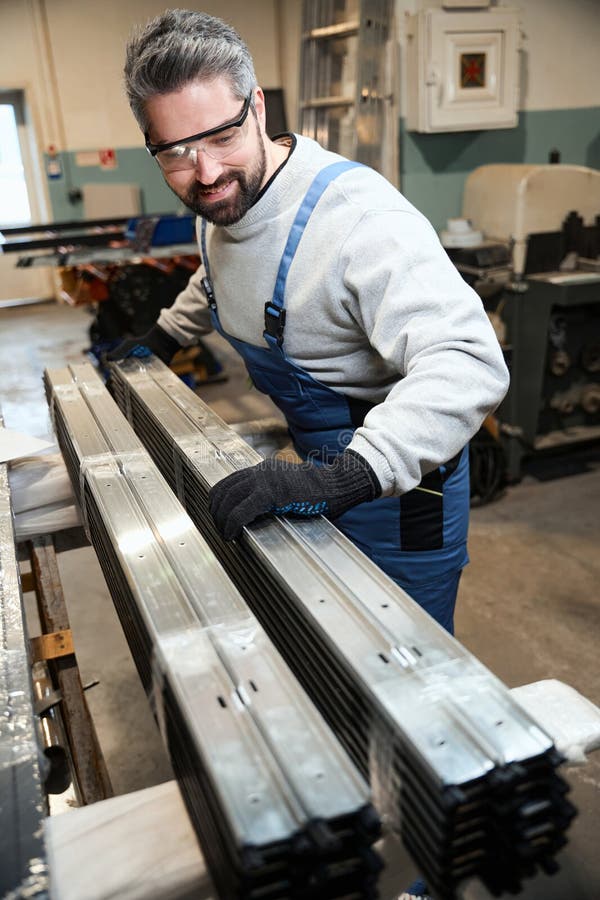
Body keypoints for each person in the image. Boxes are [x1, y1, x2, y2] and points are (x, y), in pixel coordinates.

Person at [111, 9, 509, 641]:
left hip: (400, 495)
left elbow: (468, 361)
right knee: (328, 646)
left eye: (221, 137)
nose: (206, 172)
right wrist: (162, 338)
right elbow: (216, 272)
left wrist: (345, 475)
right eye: (177, 152)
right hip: (314, 474)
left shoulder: (359, 221)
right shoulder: (219, 207)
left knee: (405, 665)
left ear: (258, 108)